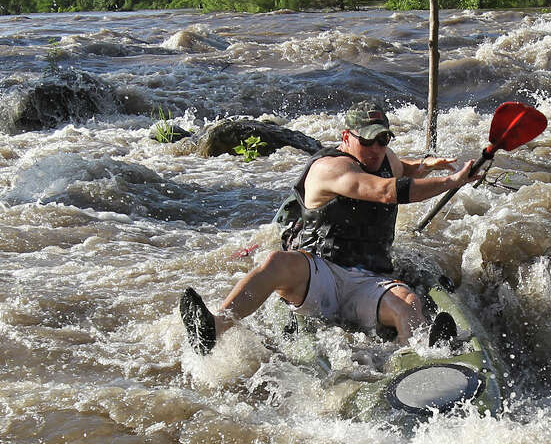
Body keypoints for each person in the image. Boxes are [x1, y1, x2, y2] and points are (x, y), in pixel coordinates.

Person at [179, 101, 481, 356]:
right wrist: (452, 182)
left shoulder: (384, 157)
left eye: (382, 140)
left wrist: (425, 166)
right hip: (319, 271)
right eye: (366, 141)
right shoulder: (330, 169)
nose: (375, 148)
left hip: (368, 279)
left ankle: (418, 360)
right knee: (276, 263)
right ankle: (215, 326)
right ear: (346, 137)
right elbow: (385, 191)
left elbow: (402, 168)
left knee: (408, 303)